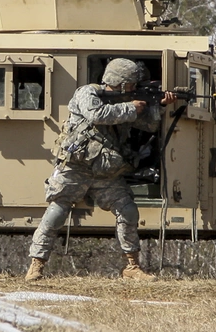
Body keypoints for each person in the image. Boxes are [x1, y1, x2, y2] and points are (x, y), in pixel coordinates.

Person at [25, 58, 177, 281]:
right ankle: (36, 265)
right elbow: (97, 114)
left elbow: (149, 125)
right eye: (132, 84)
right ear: (122, 83)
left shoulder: (126, 102)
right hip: (75, 167)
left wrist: (158, 106)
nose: (135, 88)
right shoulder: (87, 93)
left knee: (128, 211)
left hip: (106, 172)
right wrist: (130, 107)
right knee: (57, 212)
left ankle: (131, 267)